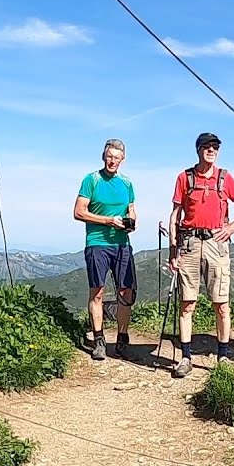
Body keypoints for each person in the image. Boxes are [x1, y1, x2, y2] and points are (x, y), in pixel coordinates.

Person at [167, 132, 234, 377]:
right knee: (187, 303)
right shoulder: (185, 177)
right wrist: (173, 250)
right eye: (207, 146)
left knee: (222, 304)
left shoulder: (225, 178)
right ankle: (186, 358)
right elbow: (175, 214)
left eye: (215, 147)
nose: (212, 150)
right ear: (198, 150)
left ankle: (223, 356)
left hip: (216, 243)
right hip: (190, 243)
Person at [72, 138, 137, 361]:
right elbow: (79, 212)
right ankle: (99, 341)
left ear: (123, 160)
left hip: (122, 245)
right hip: (97, 243)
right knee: (97, 292)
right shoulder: (91, 180)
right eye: (109, 157)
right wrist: (108, 221)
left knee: (125, 293)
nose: (112, 161)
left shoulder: (127, 184)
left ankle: (122, 339)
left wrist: (131, 222)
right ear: (103, 156)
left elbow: (132, 210)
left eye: (117, 158)